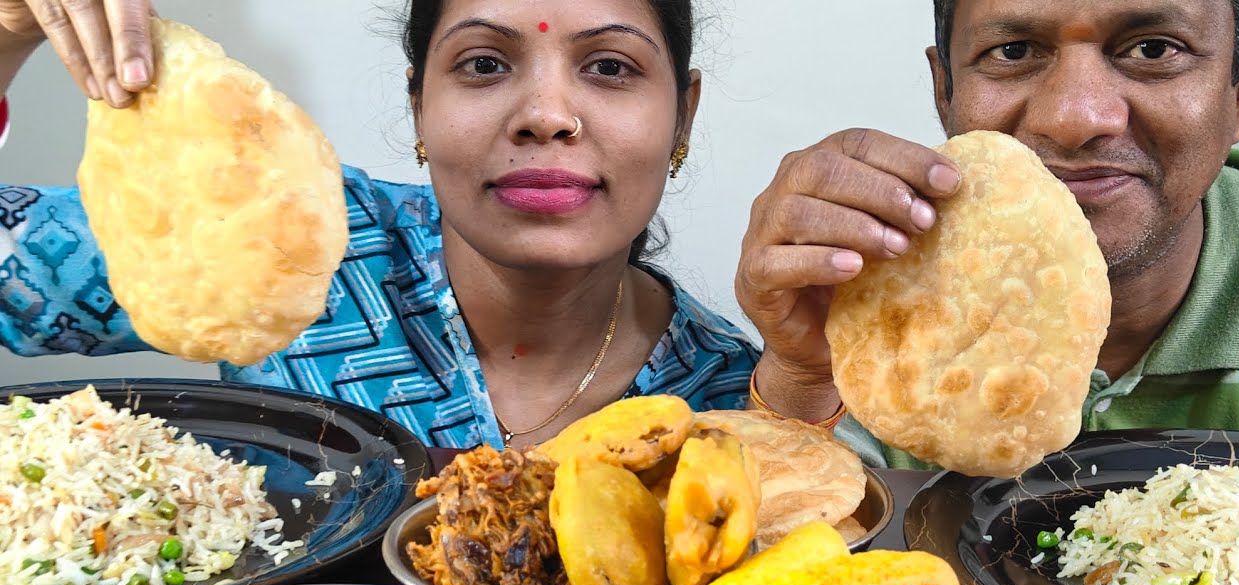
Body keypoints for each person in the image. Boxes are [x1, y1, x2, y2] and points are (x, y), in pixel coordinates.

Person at [0, 0, 760, 449]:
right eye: (485, 65)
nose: (546, 117)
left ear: (682, 117)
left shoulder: (739, 401)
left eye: (610, 68)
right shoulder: (287, 240)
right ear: (418, 106)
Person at [737, 0, 1239, 468]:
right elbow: (794, 561)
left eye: (1154, 49)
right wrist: (803, 375)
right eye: (1014, 51)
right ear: (945, 91)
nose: (1074, 117)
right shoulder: (866, 278)